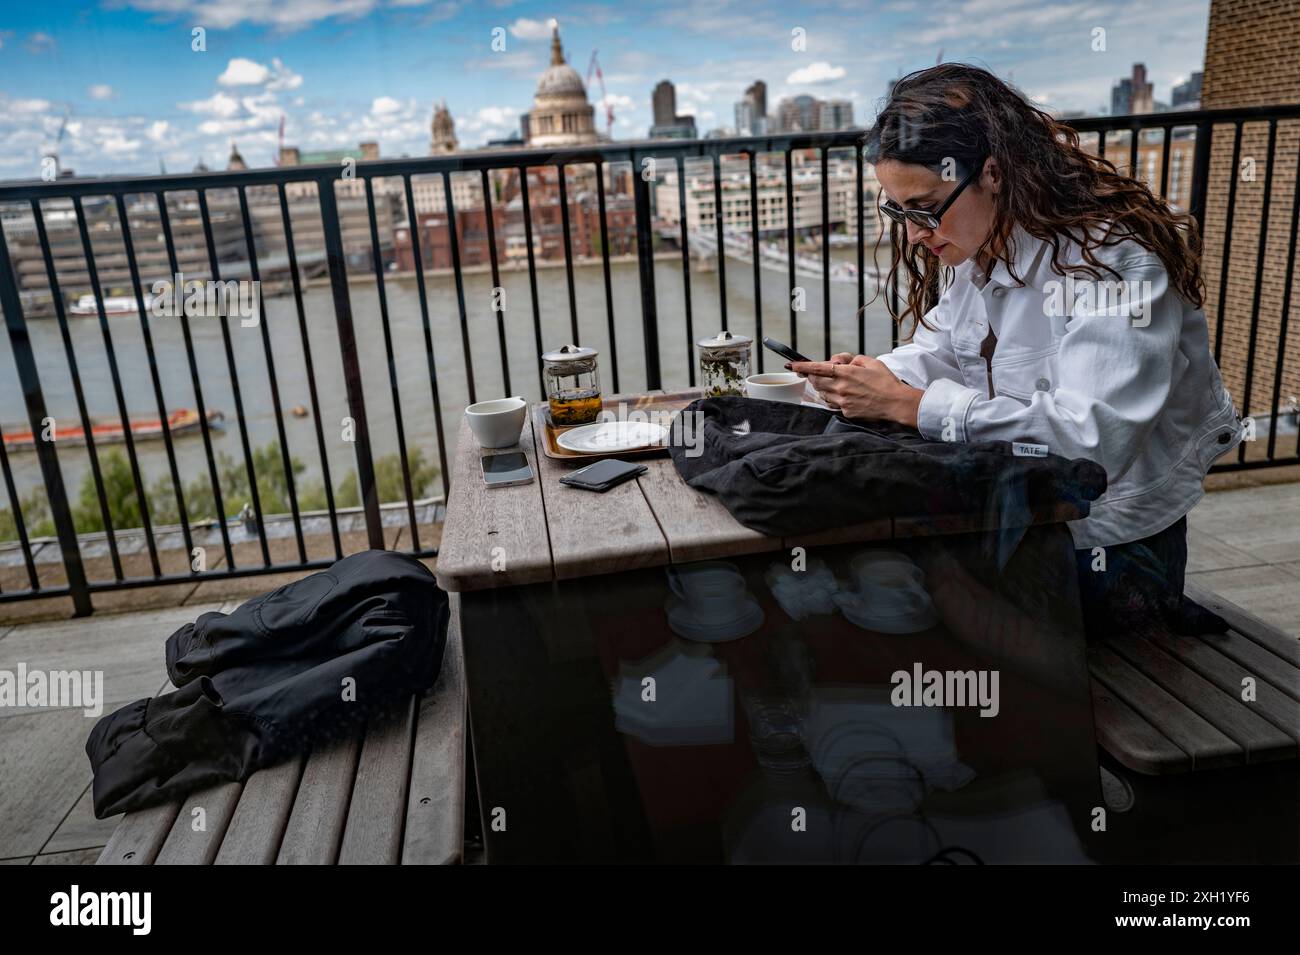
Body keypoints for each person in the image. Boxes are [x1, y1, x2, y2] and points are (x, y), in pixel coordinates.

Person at [788, 64, 1241, 638]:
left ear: (994, 172)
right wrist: (871, 376)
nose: (914, 234)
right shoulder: (984, 239)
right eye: (898, 211)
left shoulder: (1112, 259)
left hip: (1110, 533)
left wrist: (909, 406)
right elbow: (944, 349)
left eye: (925, 207)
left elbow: (1090, 443)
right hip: (1023, 505)